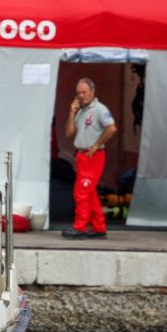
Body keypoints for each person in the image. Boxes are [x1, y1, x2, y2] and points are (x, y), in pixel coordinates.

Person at [63, 78, 116, 240]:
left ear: (93, 92)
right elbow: (69, 133)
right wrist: (71, 112)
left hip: (93, 155)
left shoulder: (100, 109)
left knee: (81, 192)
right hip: (82, 155)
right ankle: (99, 228)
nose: (81, 95)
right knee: (90, 193)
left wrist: (96, 145)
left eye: (84, 92)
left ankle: (80, 227)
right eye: (78, 93)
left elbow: (112, 128)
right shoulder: (80, 111)